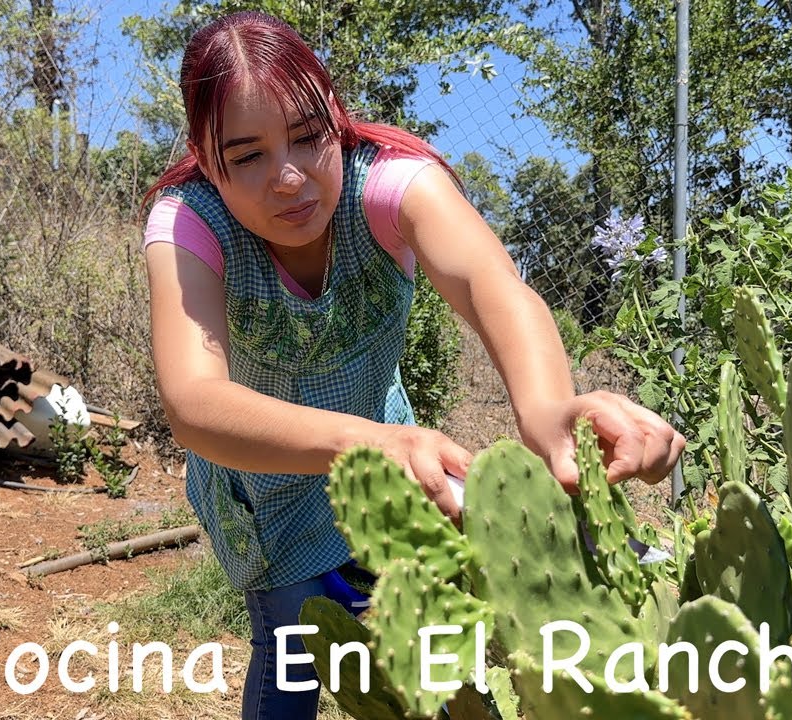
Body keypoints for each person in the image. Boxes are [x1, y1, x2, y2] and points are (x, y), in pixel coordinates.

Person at [141, 11, 686, 719]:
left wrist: (548, 410)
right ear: (207, 158)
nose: (288, 177)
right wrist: (369, 446)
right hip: (267, 492)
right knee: (292, 652)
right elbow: (194, 403)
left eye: (309, 137)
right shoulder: (187, 224)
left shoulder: (393, 185)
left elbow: (496, 289)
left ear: (336, 118)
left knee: (438, 655)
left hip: (396, 477)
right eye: (247, 155)